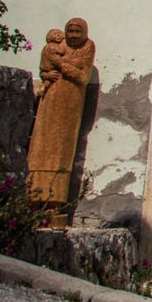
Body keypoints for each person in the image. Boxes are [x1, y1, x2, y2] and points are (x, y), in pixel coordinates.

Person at [28, 18, 97, 213]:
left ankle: (54, 201)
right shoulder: (54, 47)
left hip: (71, 103)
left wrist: (60, 63)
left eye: (78, 32)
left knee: (61, 151)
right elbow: (45, 68)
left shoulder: (87, 48)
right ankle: (33, 197)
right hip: (50, 98)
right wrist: (47, 74)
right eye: (71, 31)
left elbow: (83, 76)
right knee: (40, 146)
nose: (74, 36)